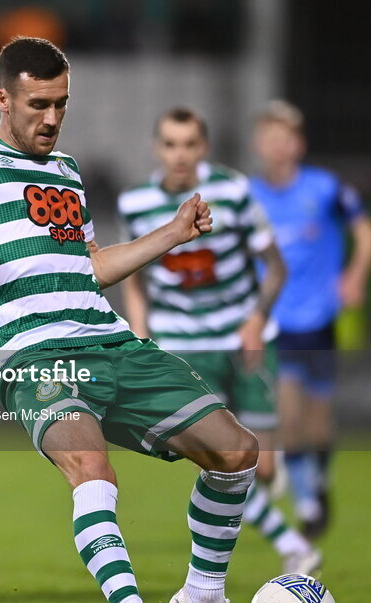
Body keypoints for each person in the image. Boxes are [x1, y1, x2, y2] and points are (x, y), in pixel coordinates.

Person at [0, 37, 260, 603]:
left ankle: (203, 599)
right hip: (35, 354)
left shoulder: (66, 173)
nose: (51, 119)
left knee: (238, 452)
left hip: (113, 344)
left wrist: (172, 233)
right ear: (3, 99)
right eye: (37, 105)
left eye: (61, 104)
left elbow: (93, 269)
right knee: (90, 468)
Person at [118, 106, 321, 576]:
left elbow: (276, 267)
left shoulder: (232, 192)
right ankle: (293, 546)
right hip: (183, 346)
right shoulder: (135, 204)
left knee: (263, 469)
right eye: (170, 144)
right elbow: (132, 273)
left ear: (203, 147)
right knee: (220, 458)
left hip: (241, 338)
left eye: (190, 144)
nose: (180, 154)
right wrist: (140, 328)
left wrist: (255, 320)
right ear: (157, 148)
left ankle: (285, 521)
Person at [249, 100, 371, 539]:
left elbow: (367, 233)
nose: (277, 147)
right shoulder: (249, 195)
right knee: (287, 415)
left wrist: (354, 276)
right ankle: (307, 505)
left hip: (322, 319)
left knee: (319, 423)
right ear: (259, 145)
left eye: (285, 138)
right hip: (277, 322)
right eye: (269, 138)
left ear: (298, 144)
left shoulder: (325, 189)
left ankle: (319, 484)